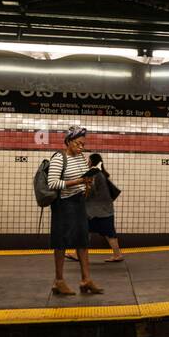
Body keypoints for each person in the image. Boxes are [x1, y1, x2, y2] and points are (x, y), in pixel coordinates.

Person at [48, 126, 103, 296]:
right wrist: (78, 180)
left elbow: (83, 176)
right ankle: (59, 281)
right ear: (69, 141)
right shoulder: (59, 158)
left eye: (83, 145)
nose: (81, 148)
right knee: (61, 242)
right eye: (78, 144)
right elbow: (52, 183)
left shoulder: (80, 157)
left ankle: (86, 279)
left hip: (78, 202)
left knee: (82, 241)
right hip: (63, 204)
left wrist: (87, 182)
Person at [83, 153, 124, 262]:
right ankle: (117, 254)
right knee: (109, 233)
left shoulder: (93, 173)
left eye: (88, 160)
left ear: (91, 162)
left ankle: (79, 255)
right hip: (105, 210)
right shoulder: (101, 173)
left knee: (85, 231)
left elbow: (90, 191)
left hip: (95, 211)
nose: (87, 162)